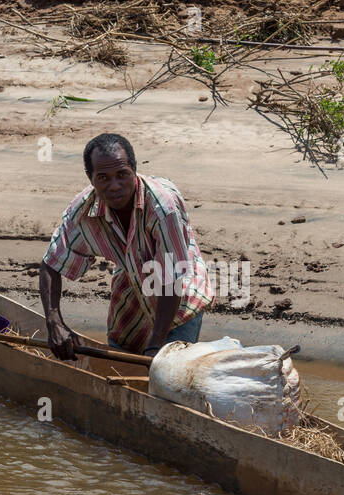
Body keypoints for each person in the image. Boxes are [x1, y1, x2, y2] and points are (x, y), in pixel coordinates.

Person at [39, 133, 213, 361]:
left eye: (122, 175)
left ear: (134, 169)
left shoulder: (163, 208)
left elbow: (172, 278)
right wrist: (54, 323)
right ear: (90, 178)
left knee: (168, 376)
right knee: (118, 369)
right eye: (103, 177)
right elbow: (51, 264)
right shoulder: (81, 212)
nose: (114, 186)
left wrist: (154, 350)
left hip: (178, 296)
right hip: (130, 289)